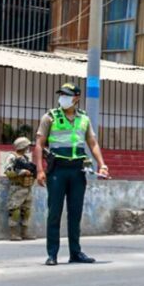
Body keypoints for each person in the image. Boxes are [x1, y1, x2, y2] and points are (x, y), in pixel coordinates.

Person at [34, 82, 109, 266]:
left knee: (75, 213)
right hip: (57, 170)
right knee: (54, 213)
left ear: (76, 98)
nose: (63, 98)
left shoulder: (84, 118)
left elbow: (93, 143)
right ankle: (52, 254)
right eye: (61, 94)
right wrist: (40, 170)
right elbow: (39, 144)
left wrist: (102, 165)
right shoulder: (50, 117)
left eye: (67, 95)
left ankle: (75, 252)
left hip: (77, 171)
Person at [3, 137, 36, 241]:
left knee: (26, 211)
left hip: (27, 187)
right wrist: (22, 172)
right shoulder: (12, 157)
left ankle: (24, 233)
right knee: (15, 210)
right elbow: (8, 172)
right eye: (27, 146)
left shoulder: (25, 158)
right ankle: (13, 234)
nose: (28, 148)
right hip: (17, 188)